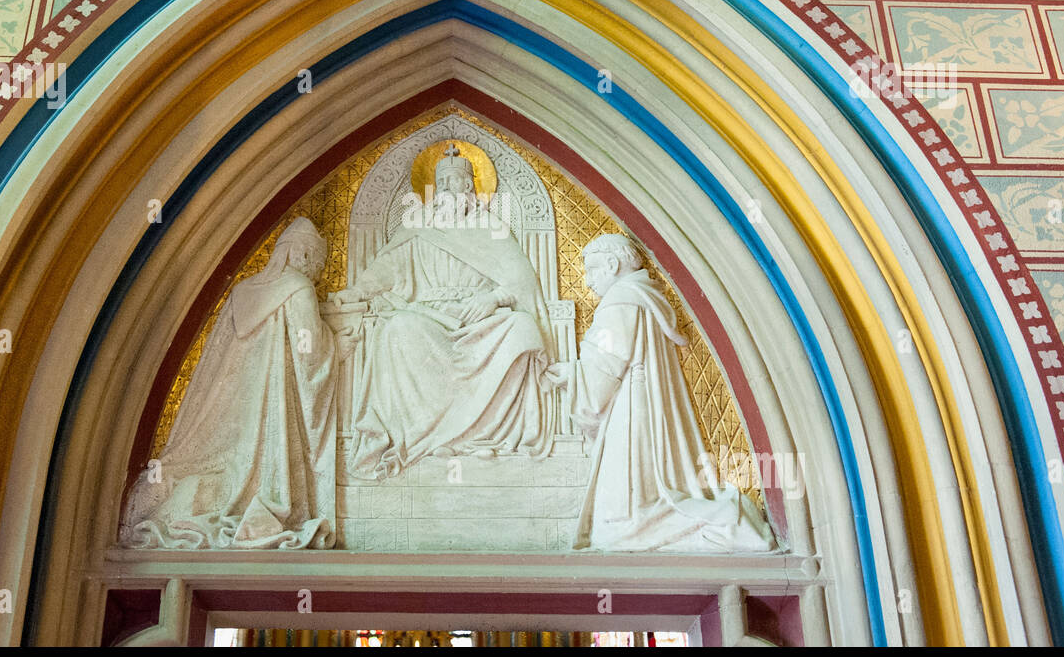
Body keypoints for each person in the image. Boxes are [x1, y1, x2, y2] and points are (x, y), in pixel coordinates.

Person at [330, 144, 554, 478]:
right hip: (429, 316)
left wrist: (493, 298)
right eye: (443, 183)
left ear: (470, 187)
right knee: (398, 329)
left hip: (480, 321)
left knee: (522, 328)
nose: (450, 189)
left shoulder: (489, 227)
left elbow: (520, 279)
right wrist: (356, 292)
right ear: (433, 191)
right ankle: (430, 434)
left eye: (458, 182)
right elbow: (386, 270)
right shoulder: (420, 228)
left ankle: (482, 433)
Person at [545, 233, 776, 553]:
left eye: (593, 270)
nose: (587, 281)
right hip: (642, 405)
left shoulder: (621, 301)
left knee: (619, 529)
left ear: (612, 265)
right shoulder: (644, 297)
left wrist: (571, 374)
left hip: (630, 410)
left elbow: (607, 366)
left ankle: (724, 522)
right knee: (624, 520)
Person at [121, 218, 341, 549]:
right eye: (317, 262)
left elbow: (215, 363)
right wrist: (339, 343)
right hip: (271, 427)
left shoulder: (243, 291)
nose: (318, 272)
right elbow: (309, 353)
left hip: (232, 428)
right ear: (304, 255)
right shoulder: (299, 289)